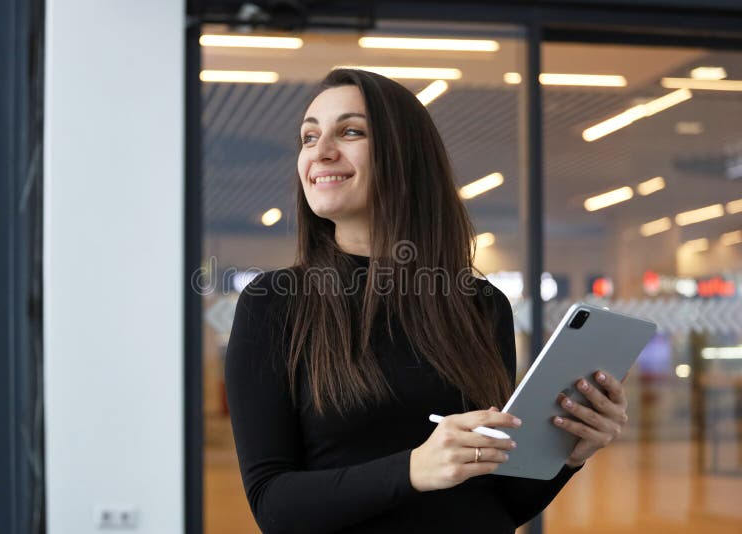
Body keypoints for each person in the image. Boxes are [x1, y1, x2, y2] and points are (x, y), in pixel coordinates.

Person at [224, 68, 629, 534]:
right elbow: (274, 507)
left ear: (406, 156)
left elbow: (499, 501)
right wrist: (414, 470)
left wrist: (569, 455)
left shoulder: (479, 304)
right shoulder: (275, 304)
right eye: (309, 137)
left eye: (350, 131)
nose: (320, 151)